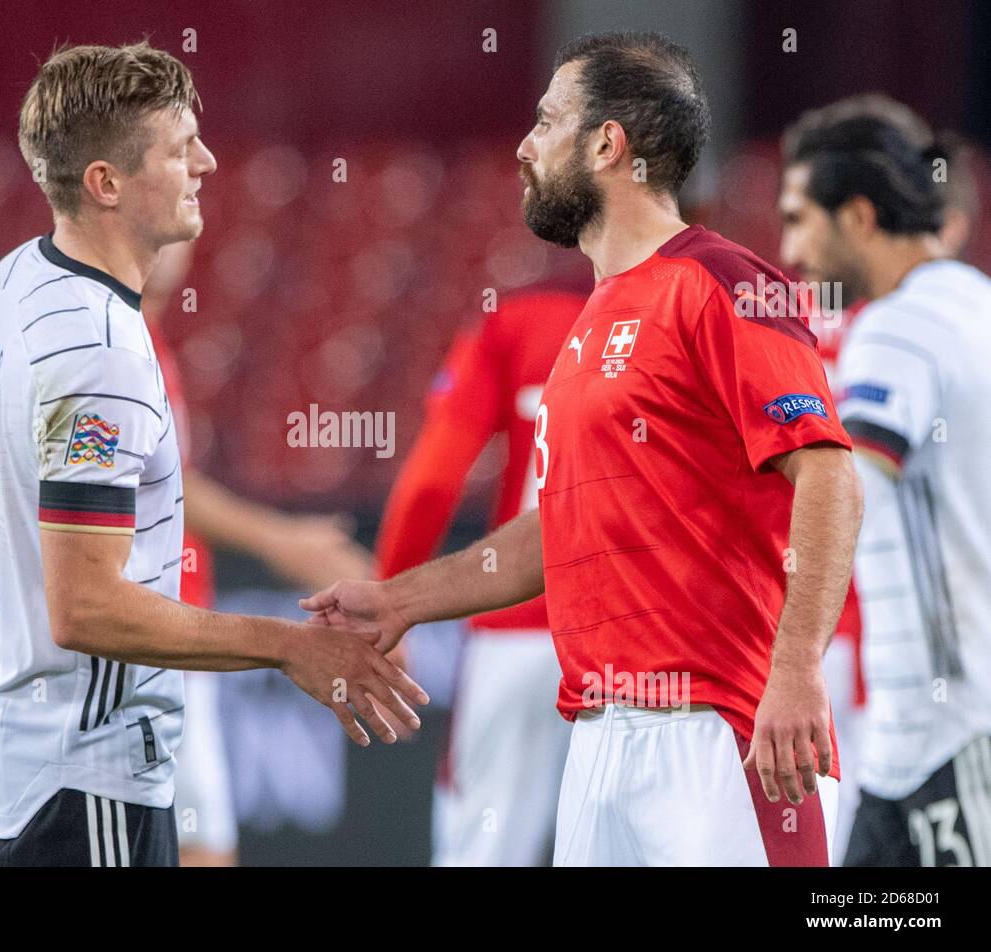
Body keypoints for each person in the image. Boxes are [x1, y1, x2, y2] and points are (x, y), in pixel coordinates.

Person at [303, 31, 862, 866]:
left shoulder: (725, 282)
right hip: (598, 737)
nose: (526, 146)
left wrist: (795, 671)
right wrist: (403, 599)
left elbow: (828, 475)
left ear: (608, 144)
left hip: (717, 735)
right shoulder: (593, 315)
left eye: (546, 120)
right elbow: (561, 524)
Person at [0, 41, 425, 867]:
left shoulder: (6, 285)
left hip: (10, 746)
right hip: (82, 767)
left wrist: (31, 593)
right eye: (179, 149)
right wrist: (289, 644)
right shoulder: (104, 350)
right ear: (106, 183)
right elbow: (86, 609)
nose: (204, 163)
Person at [780, 102, 991, 866]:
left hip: (958, 737)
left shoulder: (897, 328)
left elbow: (844, 488)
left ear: (860, 216)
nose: (789, 250)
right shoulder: (970, 305)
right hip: (906, 748)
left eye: (801, 219)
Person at [142, 241, 374, 867]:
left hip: (169, 630)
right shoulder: (113, 335)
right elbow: (158, 482)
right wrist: (282, 541)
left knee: (199, 846)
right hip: (140, 633)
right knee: (197, 848)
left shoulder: (147, 340)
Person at [374, 287, 585, 866]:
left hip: (515, 634)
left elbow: (433, 481)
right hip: (634, 640)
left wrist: (392, 597)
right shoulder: (700, 310)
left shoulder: (520, 320)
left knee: (483, 851)